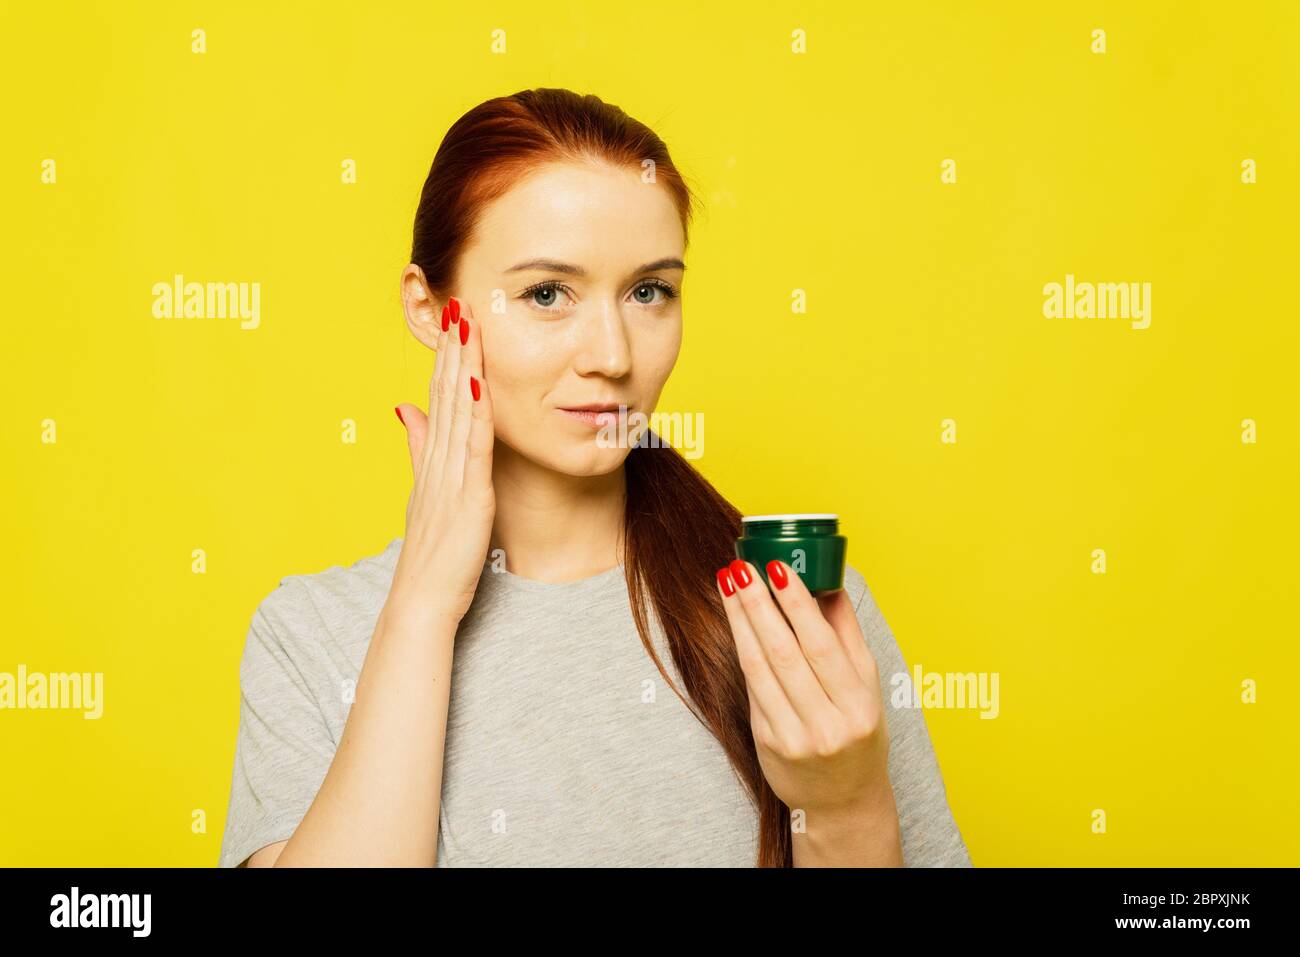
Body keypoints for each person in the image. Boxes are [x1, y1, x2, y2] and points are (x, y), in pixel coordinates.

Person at [218, 87, 972, 868]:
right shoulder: (308, 637)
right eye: (548, 294)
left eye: (650, 291)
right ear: (431, 308)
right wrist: (423, 606)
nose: (613, 355)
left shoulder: (795, 617)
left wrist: (846, 804)